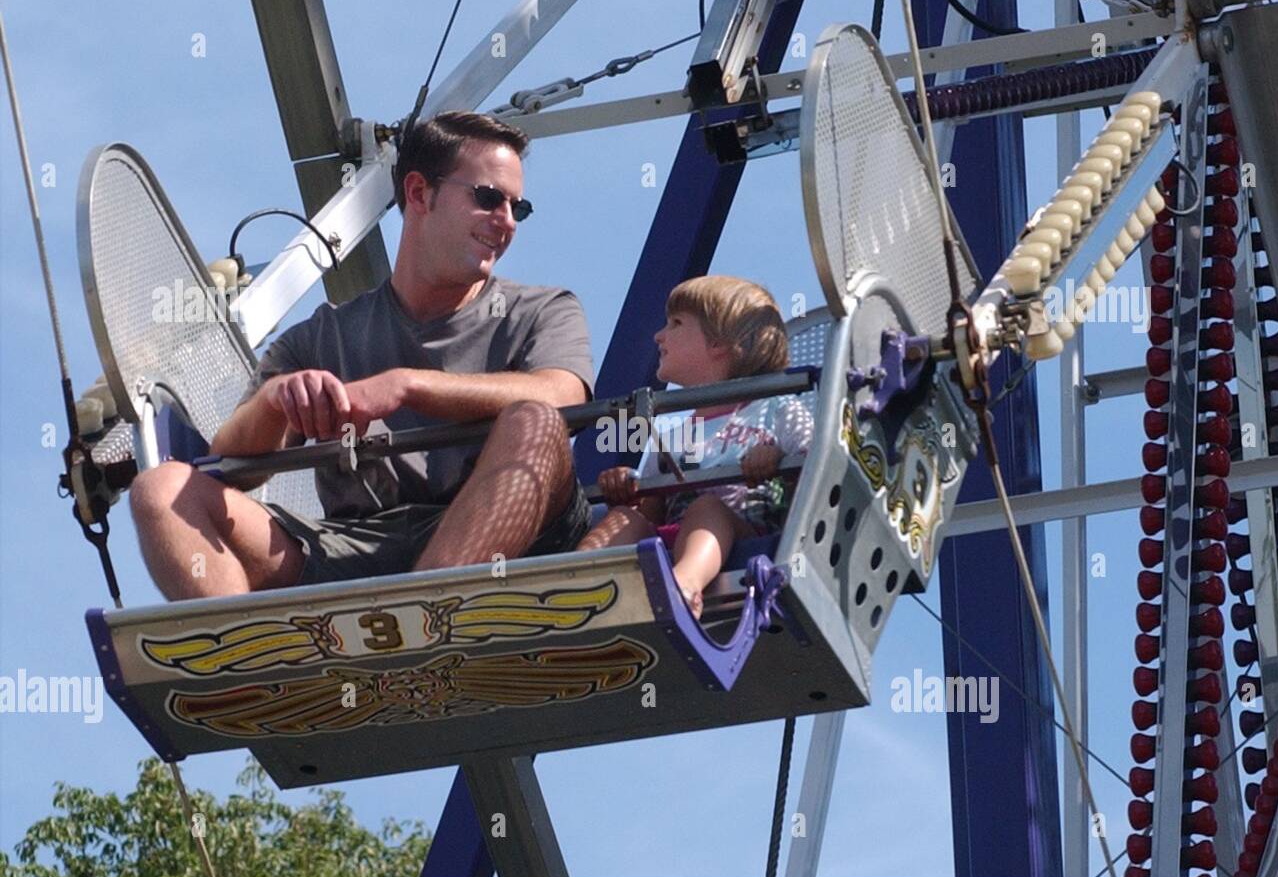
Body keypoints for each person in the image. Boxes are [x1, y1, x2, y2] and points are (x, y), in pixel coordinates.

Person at [129, 111, 595, 600]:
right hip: (360, 550)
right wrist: (275, 401)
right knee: (161, 491)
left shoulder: (544, 310)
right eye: (488, 198)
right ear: (418, 193)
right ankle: (254, 664)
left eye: (516, 209)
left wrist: (406, 385)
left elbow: (561, 394)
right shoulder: (323, 336)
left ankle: (426, 619)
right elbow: (234, 462)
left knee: (536, 423)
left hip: (518, 545)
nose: (505, 222)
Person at [577, 275, 813, 618]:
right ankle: (574, 584)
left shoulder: (776, 410)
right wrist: (628, 492)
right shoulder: (674, 435)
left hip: (743, 534)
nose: (659, 335)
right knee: (624, 519)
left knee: (707, 507)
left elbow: (818, 470)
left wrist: (778, 458)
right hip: (671, 539)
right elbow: (651, 515)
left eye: (676, 324)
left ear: (719, 342)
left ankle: (685, 587)